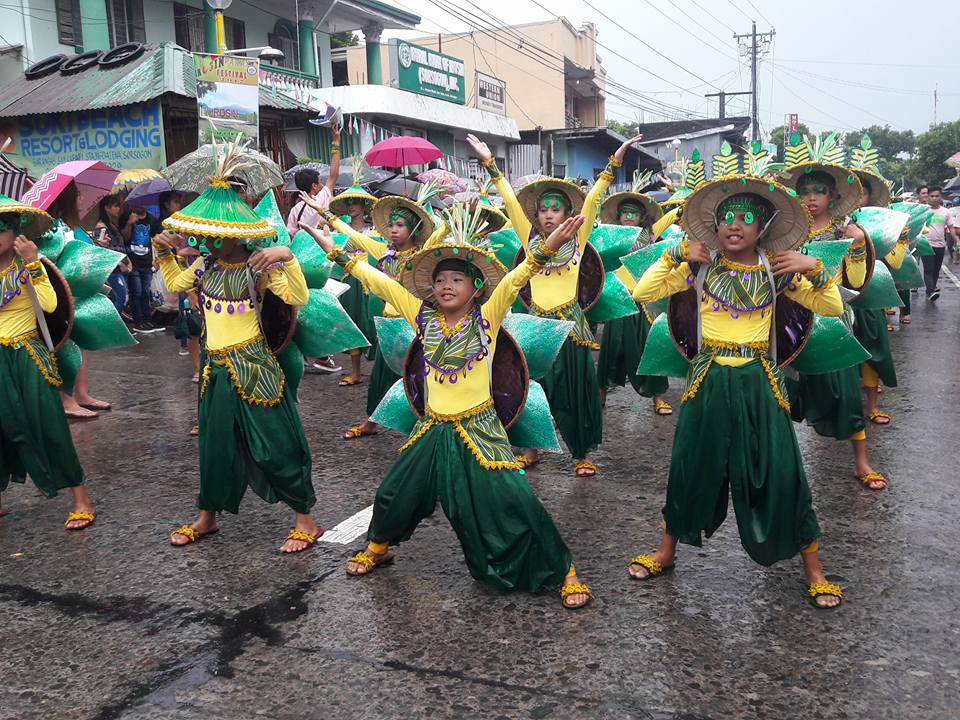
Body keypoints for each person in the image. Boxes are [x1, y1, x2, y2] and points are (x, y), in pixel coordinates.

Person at [302, 210, 595, 609]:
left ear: (475, 288)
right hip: (433, 428)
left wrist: (547, 249)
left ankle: (566, 571)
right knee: (395, 491)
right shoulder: (423, 318)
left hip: (480, 428)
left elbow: (514, 280)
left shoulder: (487, 318)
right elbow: (382, 284)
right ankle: (379, 546)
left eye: (456, 279)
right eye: (439, 280)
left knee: (516, 500)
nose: (445, 286)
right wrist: (336, 252)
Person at [626, 157, 845, 609]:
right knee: (690, 466)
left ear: (763, 227)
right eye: (727, 218)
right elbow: (641, 293)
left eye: (746, 218)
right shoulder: (699, 268)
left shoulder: (778, 271)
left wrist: (815, 268)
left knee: (782, 472)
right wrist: (672, 254)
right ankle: (666, 552)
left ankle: (815, 569)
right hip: (706, 381)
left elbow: (832, 308)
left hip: (760, 382)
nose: (734, 225)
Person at [155, 148, 322, 553]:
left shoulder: (257, 265)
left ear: (232, 232)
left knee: (276, 441)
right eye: (205, 235)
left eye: (214, 235)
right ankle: (207, 517)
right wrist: (162, 252)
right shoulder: (206, 267)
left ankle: (306, 519)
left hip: (254, 367)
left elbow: (298, 295)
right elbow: (176, 284)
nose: (208, 241)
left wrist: (286, 255)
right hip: (215, 368)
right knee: (214, 444)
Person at [468, 132, 642, 477]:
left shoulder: (578, 240)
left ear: (568, 213)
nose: (548, 215)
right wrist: (490, 164)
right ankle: (531, 448)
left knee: (577, 392)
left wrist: (614, 162)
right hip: (535, 326)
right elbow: (511, 204)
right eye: (543, 210)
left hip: (570, 328)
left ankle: (582, 454)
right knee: (532, 390)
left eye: (555, 209)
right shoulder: (528, 238)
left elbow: (592, 199)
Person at [301, 183, 446, 440]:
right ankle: (371, 421)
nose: (392, 230)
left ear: (413, 229)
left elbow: (439, 235)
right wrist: (325, 213)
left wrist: (450, 218)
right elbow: (355, 238)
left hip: (414, 325)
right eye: (391, 225)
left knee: (420, 378)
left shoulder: (422, 256)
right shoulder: (385, 252)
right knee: (380, 378)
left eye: (399, 225)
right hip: (390, 324)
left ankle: (427, 425)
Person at [784, 132, 887, 491]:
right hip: (790, 324)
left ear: (833, 196)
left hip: (831, 323)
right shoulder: (785, 234)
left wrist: (858, 246)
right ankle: (778, 463)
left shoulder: (848, 233)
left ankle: (861, 463)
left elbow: (857, 283)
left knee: (845, 394)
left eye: (818, 191)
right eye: (805, 191)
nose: (811, 198)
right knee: (782, 395)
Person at [0, 197, 96, 530]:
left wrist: (33, 265)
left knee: (49, 424)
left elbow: (51, 304)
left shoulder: (27, 265)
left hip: (29, 357)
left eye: (2, 227)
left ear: (15, 232)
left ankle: (81, 499)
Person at [596, 170, 671, 415]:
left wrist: (677, 195)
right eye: (625, 213)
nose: (629, 217)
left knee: (649, 349)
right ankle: (600, 395)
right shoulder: (610, 237)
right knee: (610, 352)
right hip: (617, 301)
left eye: (634, 214)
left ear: (641, 218)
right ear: (619, 216)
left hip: (643, 302)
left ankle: (658, 397)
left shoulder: (649, 237)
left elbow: (670, 217)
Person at [47, 183, 113, 418]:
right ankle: (67, 399)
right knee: (64, 345)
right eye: (77, 194)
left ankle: (82, 394)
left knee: (80, 342)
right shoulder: (50, 226)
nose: (81, 198)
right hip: (59, 295)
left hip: (74, 292)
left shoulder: (67, 225)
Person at [327, 171, 380, 387]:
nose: (352, 206)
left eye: (356, 202)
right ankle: (356, 372)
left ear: (364, 206)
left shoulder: (375, 232)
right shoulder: (341, 230)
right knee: (352, 324)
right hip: (349, 280)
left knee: (373, 324)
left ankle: (382, 370)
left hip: (368, 282)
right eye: (349, 202)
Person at [121, 204, 162, 334]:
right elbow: (124, 238)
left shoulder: (152, 219)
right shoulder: (128, 216)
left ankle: (147, 320)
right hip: (132, 263)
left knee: (145, 292)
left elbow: (158, 238)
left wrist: (158, 259)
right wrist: (129, 223)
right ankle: (138, 322)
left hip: (147, 262)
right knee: (136, 292)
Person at [93, 194, 133, 319]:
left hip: (121, 267)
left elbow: (120, 246)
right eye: (115, 206)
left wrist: (128, 262)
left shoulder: (113, 225)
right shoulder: (101, 227)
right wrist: (120, 264)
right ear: (106, 208)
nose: (117, 209)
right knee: (121, 297)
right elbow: (102, 251)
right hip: (112, 269)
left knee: (121, 297)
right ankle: (112, 324)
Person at [922, 187, 953, 301]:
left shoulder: (946, 212)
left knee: (936, 270)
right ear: (928, 197)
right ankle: (931, 291)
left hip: (940, 245)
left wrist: (957, 240)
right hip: (926, 244)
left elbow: (951, 227)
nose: (934, 198)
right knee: (928, 269)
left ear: (940, 197)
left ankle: (931, 288)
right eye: (932, 196)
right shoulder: (924, 211)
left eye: (937, 196)